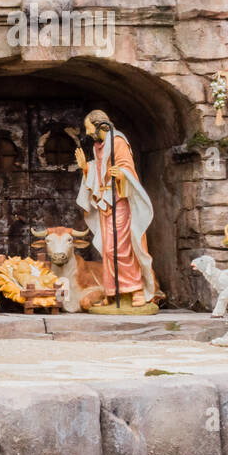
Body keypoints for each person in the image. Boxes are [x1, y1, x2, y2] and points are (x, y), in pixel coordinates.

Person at [74, 109, 158, 312]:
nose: (87, 132)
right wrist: (87, 168)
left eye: (88, 128)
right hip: (105, 202)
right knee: (108, 248)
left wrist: (120, 173)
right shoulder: (98, 146)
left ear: (100, 126)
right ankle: (113, 291)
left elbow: (127, 168)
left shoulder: (118, 141)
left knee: (123, 246)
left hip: (120, 200)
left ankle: (136, 289)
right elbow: (99, 170)